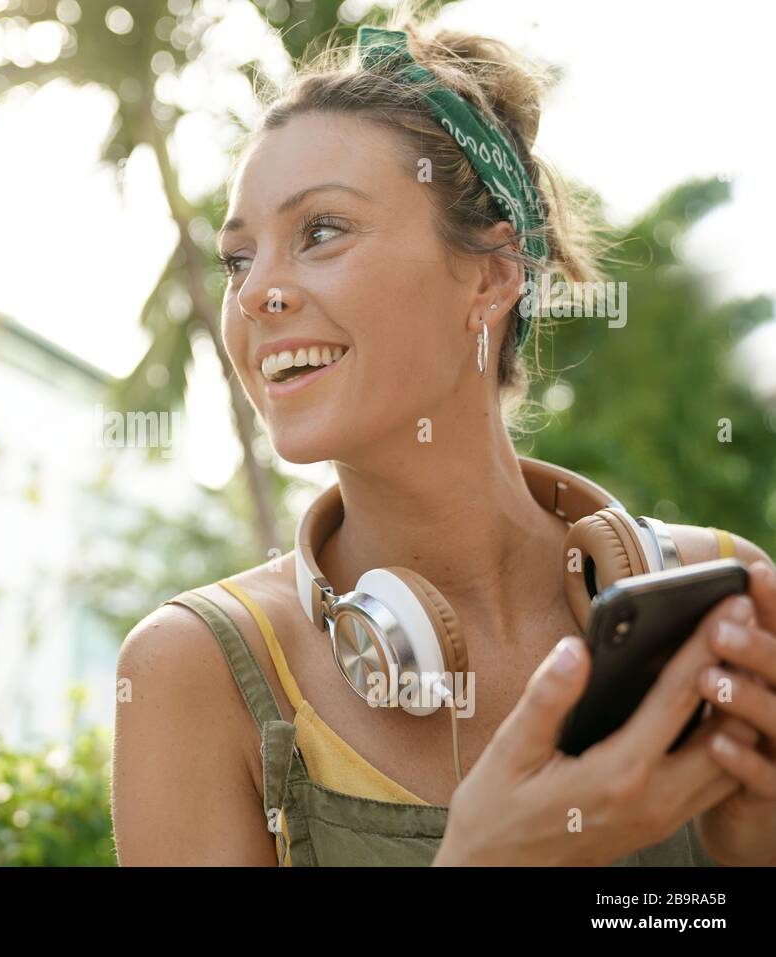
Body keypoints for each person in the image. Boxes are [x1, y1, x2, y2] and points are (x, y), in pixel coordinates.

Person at [111, 3, 776, 866]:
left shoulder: (722, 598)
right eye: (241, 257)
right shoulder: (192, 670)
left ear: (493, 276)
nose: (256, 295)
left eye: (320, 232)